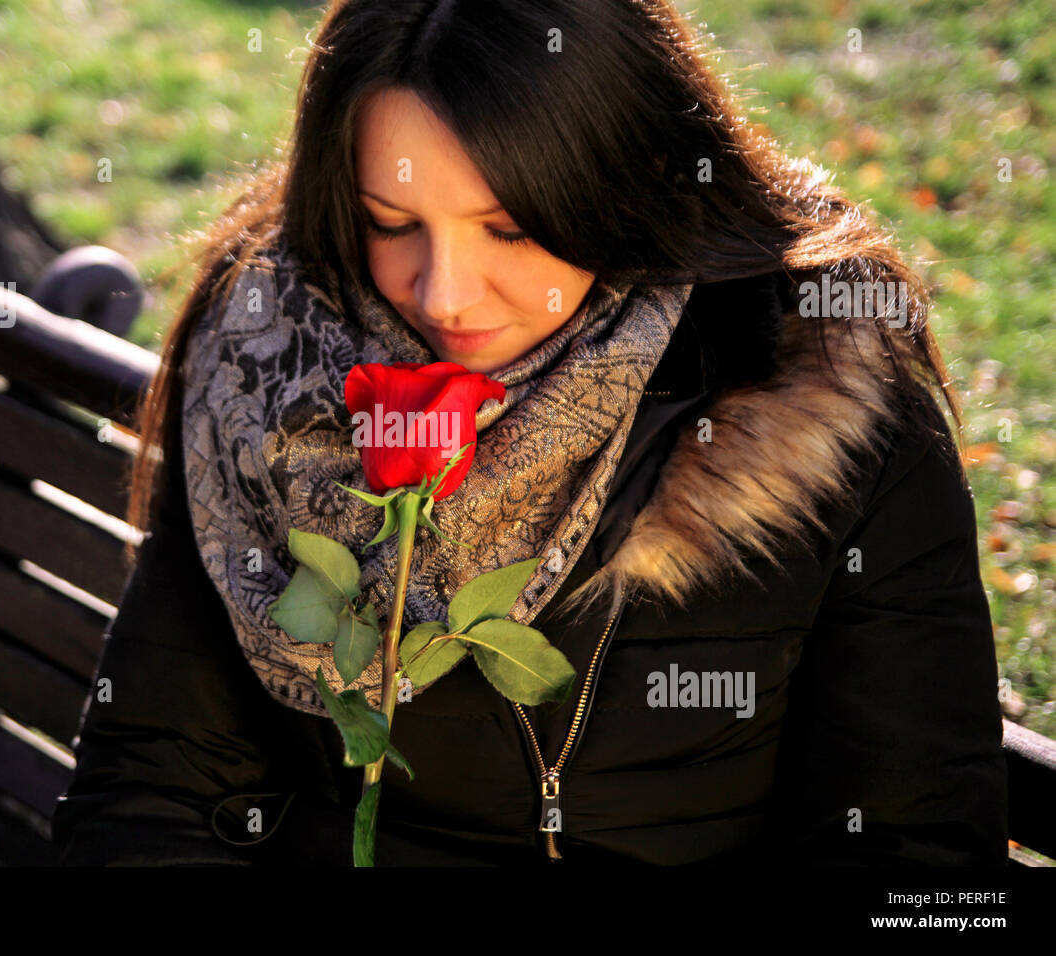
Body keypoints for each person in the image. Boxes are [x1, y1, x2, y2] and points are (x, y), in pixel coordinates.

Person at [52, 0, 1007, 866]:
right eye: (394, 223)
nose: (445, 295)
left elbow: (914, 851)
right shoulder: (265, 357)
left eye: (509, 229)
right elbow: (152, 791)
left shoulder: (822, 387)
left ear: (635, 177)